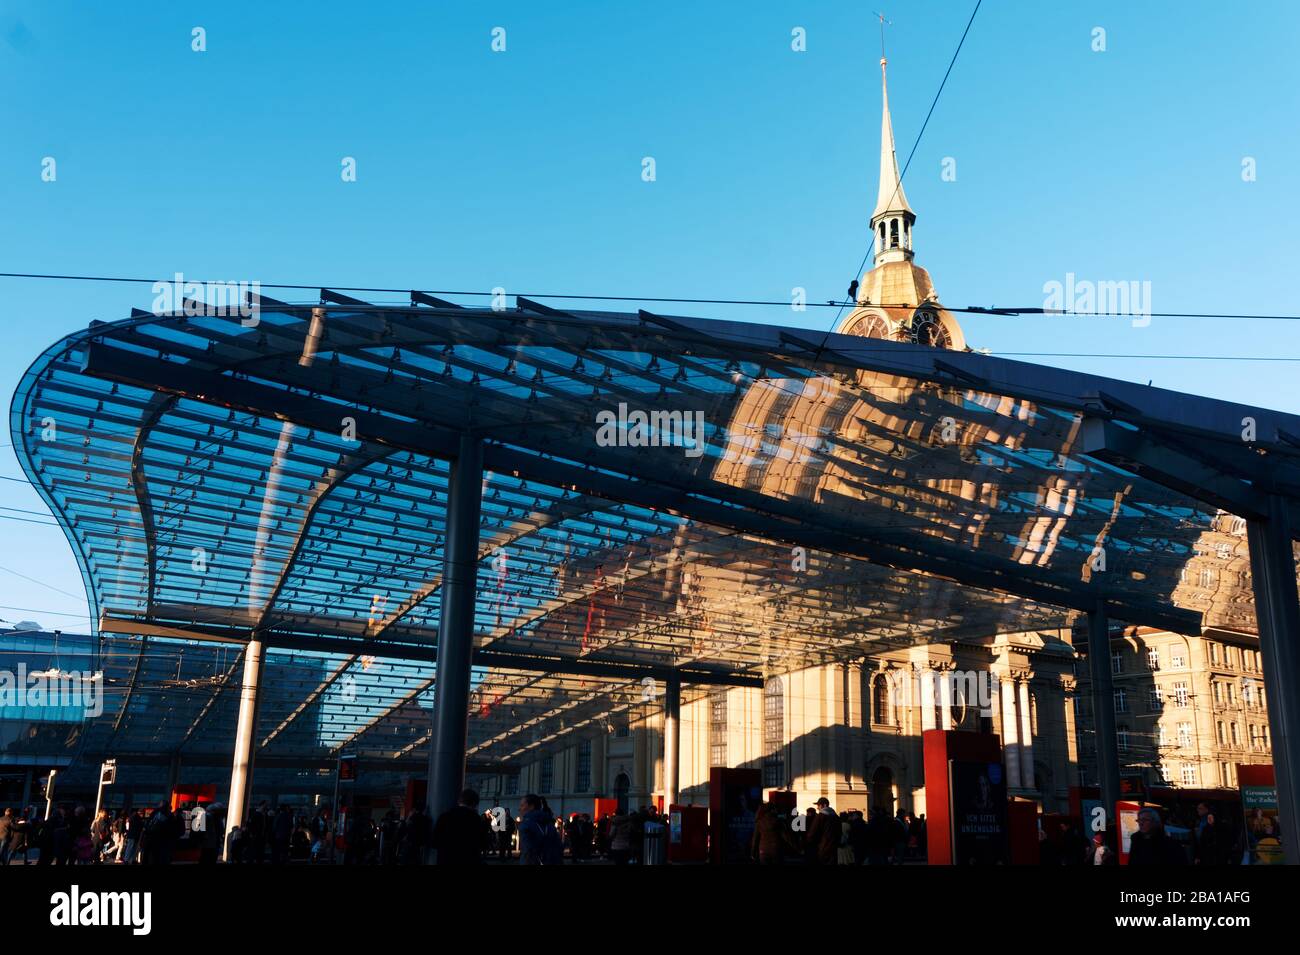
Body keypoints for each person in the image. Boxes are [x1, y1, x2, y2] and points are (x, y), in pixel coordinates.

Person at [432, 788, 490, 864]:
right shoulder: (477, 820)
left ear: (459, 801)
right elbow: (483, 843)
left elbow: (434, 842)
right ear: (474, 804)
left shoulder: (445, 817)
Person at [517, 794, 561, 865]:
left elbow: (528, 852)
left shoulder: (525, 825)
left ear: (531, 806)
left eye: (522, 805)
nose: (519, 808)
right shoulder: (549, 824)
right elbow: (559, 847)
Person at [804, 797, 839, 866]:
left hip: (821, 847)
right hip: (834, 847)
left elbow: (812, 832)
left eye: (819, 805)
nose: (817, 808)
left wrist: (808, 842)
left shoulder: (820, 816)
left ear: (824, 805)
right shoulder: (836, 817)